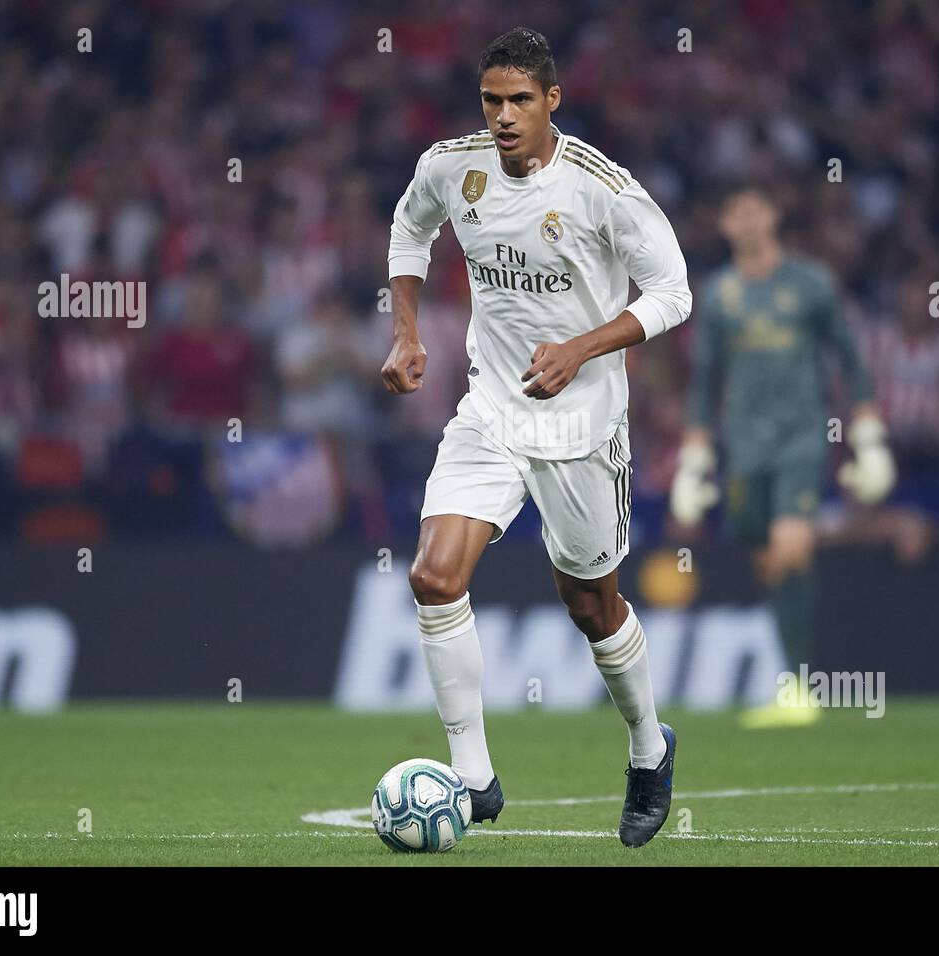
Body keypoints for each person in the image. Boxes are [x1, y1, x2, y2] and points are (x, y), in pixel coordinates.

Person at [381, 28, 691, 847]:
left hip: (583, 426)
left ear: (554, 99)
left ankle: (649, 749)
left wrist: (581, 348)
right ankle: (475, 782)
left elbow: (673, 293)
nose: (506, 115)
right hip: (491, 409)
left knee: (591, 605)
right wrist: (407, 333)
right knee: (433, 576)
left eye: (521, 100)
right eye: (492, 100)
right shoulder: (453, 166)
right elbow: (410, 231)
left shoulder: (604, 191)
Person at [671, 187, 895, 728]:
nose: (747, 218)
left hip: (801, 437)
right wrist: (695, 451)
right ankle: (793, 679)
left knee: (791, 544)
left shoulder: (811, 283)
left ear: (774, 213)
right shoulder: (719, 295)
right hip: (745, 447)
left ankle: (799, 688)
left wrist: (866, 431)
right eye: (736, 210)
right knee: (766, 557)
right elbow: (705, 380)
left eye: (756, 207)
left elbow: (848, 356)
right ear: (725, 223)